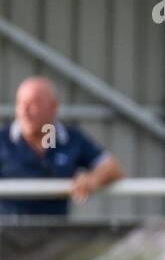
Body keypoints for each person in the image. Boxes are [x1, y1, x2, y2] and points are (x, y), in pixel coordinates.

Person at [0, 77, 125, 216]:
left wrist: (91, 179)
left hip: (56, 235)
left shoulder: (69, 139)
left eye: (34, 103)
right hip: (7, 235)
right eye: (20, 103)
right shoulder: (3, 140)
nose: (25, 111)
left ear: (53, 106)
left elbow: (112, 168)